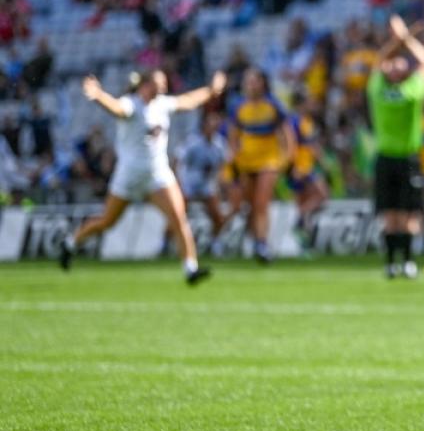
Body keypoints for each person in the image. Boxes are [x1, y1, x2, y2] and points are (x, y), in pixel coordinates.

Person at [60, 69, 226, 285]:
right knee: (107, 222)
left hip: (157, 175)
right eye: (160, 82)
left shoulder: (162, 104)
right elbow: (117, 109)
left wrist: (211, 90)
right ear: (146, 85)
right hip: (128, 177)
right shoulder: (132, 104)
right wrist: (99, 95)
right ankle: (71, 242)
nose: (164, 86)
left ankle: (190, 269)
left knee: (178, 216)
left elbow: (187, 100)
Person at [369, 15, 424, 280]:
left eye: (399, 63)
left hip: (409, 157)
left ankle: (406, 262)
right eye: (391, 63)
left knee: (408, 214)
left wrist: (404, 39)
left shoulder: (413, 89)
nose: (394, 66)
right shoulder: (376, 89)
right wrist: (403, 40)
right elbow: (379, 61)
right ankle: (391, 263)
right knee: (390, 214)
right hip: (386, 157)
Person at [228, 68, 295, 263]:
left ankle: (262, 243)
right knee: (249, 205)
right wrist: (234, 157)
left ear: (262, 84)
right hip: (247, 161)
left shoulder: (273, 105)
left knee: (261, 204)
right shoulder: (238, 106)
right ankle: (256, 240)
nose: (251, 85)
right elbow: (233, 135)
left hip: (269, 160)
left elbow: (286, 133)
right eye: (248, 81)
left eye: (254, 81)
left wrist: (287, 158)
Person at [175, 110, 230, 254]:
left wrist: (220, 185)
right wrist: (179, 183)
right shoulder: (193, 142)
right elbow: (178, 160)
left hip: (206, 185)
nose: (214, 125)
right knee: (177, 214)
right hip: (189, 184)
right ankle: (166, 242)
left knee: (217, 216)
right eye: (211, 122)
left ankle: (214, 242)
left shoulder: (219, 144)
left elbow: (222, 167)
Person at [287, 89, 329, 249]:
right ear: (301, 103)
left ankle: (304, 243)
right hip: (299, 168)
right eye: (309, 100)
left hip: (306, 166)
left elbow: (311, 145)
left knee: (307, 202)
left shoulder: (306, 121)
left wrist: (320, 158)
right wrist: (292, 167)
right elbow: (292, 146)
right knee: (322, 195)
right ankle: (298, 221)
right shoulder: (294, 122)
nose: (312, 104)